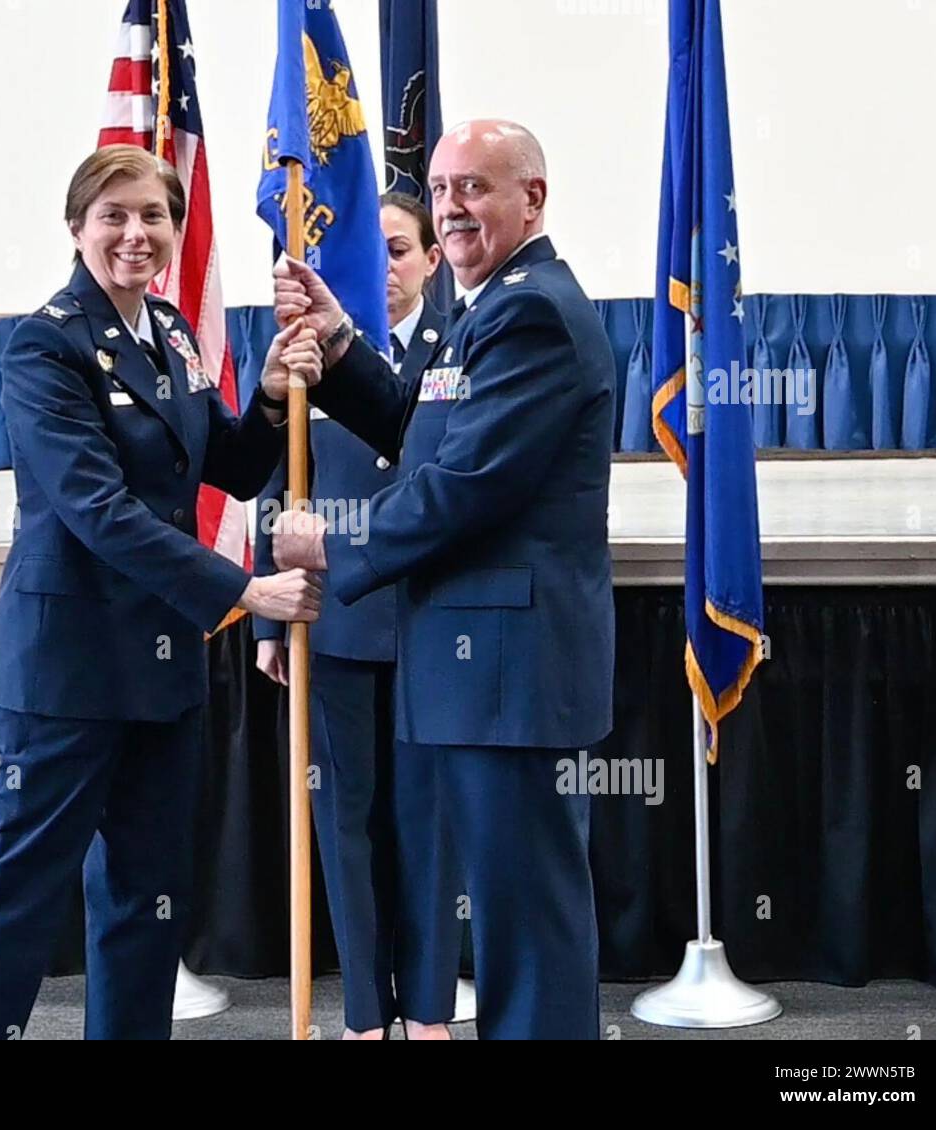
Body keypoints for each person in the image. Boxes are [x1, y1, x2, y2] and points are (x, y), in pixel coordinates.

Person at [0, 145, 323, 1040]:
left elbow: (219, 465)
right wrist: (244, 592)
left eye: (154, 215)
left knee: (147, 900)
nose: (135, 234)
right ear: (77, 228)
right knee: (22, 898)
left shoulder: (173, 333)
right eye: (113, 215)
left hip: (159, 667)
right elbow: (98, 511)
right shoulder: (45, 344)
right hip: (67, 675)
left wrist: (268, 401)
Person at [271, 120, 615, 1040]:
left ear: (532, 198)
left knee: (527, 927)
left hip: (509, 672)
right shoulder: (486, 306)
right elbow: (416, 433)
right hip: (481, 673)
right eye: (444, 187)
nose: (454, 205)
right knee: (512, 918)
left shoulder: (529, 311)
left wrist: (329, 550)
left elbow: (466, 489)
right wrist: (342, 346)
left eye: (477, 187)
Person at [254, 194, 461, 1040]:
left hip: (425, 620)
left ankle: (430, 1009)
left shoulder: (458, 352)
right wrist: (270, 622)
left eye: (399, 250)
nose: (383, 267)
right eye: (368, 251)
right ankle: (368, 1016)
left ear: (430, 261)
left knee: (428, 825)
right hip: (335, 621)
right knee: (346, 823)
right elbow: (276, 483)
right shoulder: (307, 362)